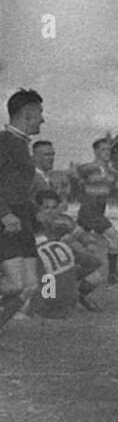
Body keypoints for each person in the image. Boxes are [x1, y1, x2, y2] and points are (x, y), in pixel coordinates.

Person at [0, 89, 44, 332]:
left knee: (29, 286)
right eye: (40, 113)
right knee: (15, 284)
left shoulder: (21, 144)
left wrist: (37, 213)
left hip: (23, 219)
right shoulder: (4, 141)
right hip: (7, 219)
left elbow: (18, 188)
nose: (43, 120)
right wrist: (4, 213)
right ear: (27, 113)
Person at [73, 137, 118, 283]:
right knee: (114, 237)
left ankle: (71, 271)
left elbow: (117, 191)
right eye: (103, 149)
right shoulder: (87, 168)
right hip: (88, 209)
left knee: (77, 240)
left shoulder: (113, 173)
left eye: (108, 150)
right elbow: (73, 177)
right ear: (95, 151)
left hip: (99, 210)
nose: (106, 152)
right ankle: (113, 275)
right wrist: (81, 192)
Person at [34, 190, 103, 312]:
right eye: (46, 208)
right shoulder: (31, 222)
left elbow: (84, 236)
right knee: (46, 306)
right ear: (38, 208)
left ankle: (79, 295)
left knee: (95, 277)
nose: (50, 211)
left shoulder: (64, 220)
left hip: (59, 267)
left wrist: (90, 245)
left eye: (54, 207)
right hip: (38, 269)